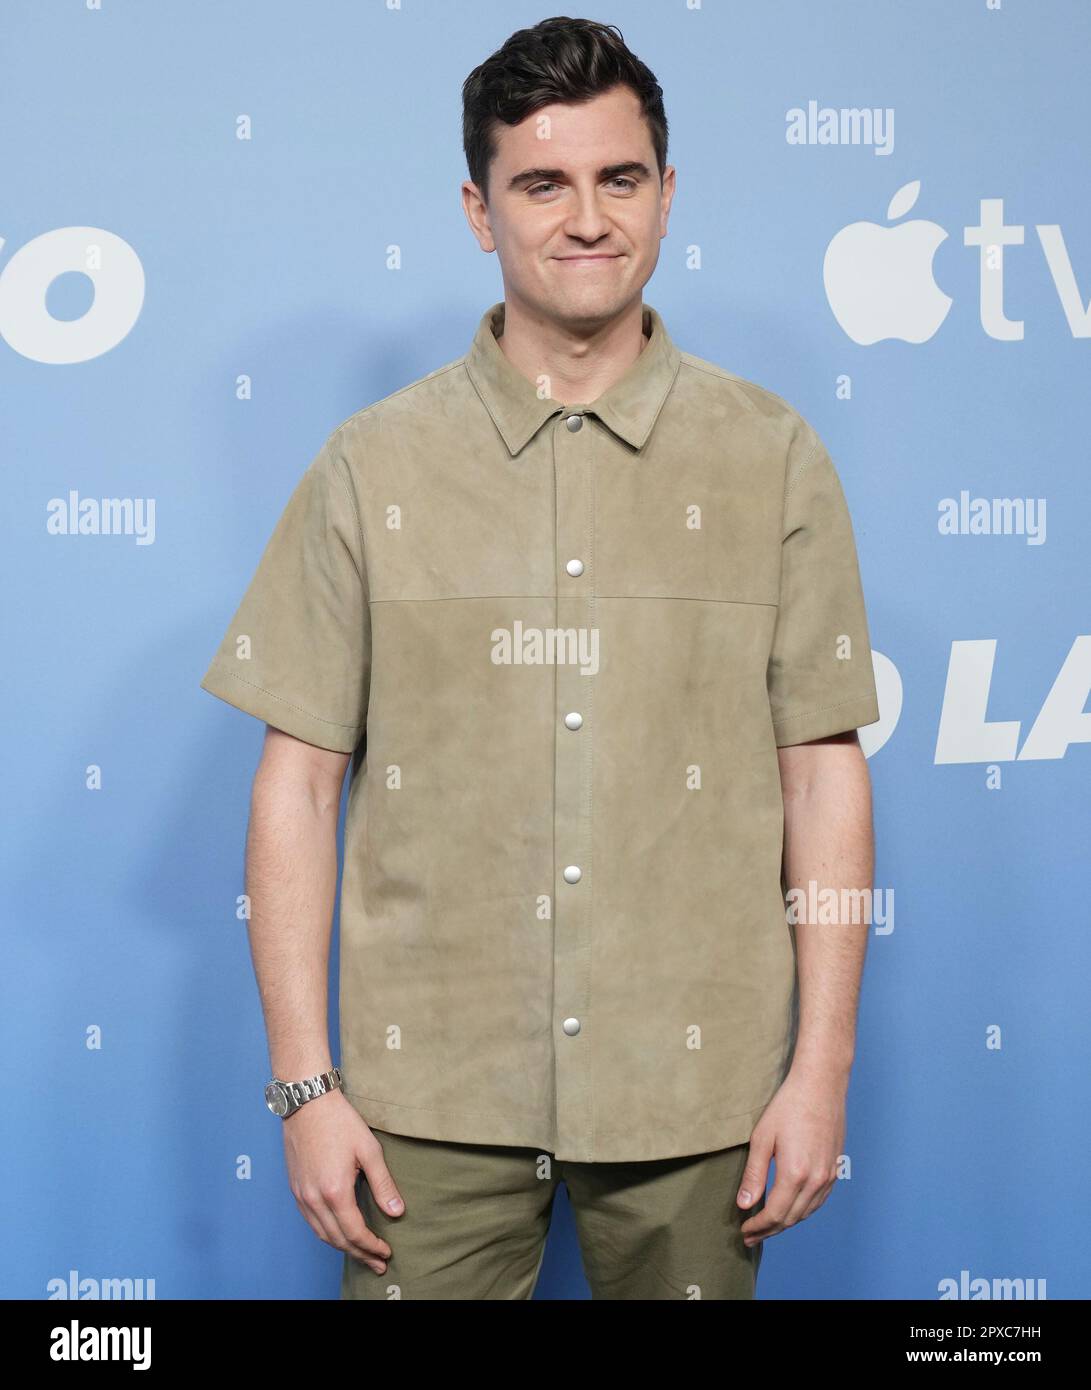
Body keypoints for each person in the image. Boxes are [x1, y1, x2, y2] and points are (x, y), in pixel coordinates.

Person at [200, 16, 881, 1301]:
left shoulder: (771, 456)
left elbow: (820, 776)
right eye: (541, 183)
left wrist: (820, 1067)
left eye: (618, 178)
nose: (585, 218)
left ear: (666, 194)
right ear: (477, 209)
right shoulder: (370, 466)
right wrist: (304, 1085)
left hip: (700, 1100)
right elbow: (294, 785)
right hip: (427, 1100)